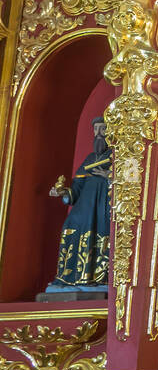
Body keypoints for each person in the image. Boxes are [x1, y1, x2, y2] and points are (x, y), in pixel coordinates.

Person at [45, 117, 112, 292]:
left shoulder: (117, 155)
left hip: (103, 206)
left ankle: (98, 279)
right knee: (70, 225)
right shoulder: (90, 158)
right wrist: (64, 192)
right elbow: (76, 189)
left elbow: (131, 183)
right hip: (84, 207)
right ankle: (70, 277)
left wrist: (109, 176)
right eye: (96, 129)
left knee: (100, 232)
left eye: (102, 129)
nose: (99, 133)